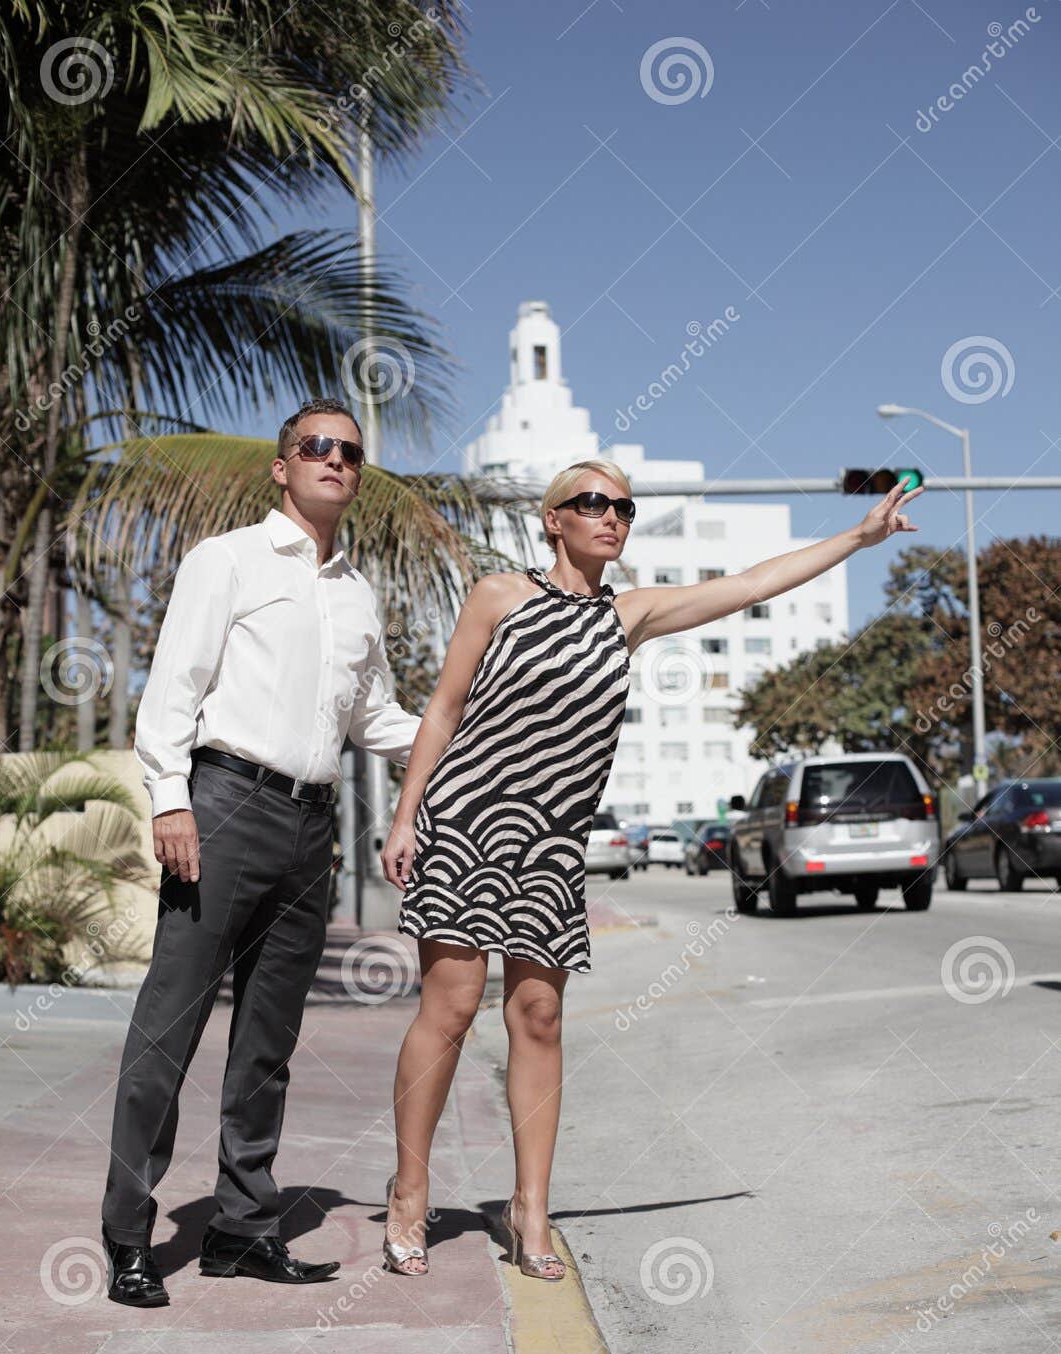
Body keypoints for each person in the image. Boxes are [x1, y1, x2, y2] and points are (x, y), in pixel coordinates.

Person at [380, 459, 920, 1279]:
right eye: (592, 503)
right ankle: (409, 1192)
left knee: (538, 1018)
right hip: (463, 821)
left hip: (552, 839)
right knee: (450, 1010)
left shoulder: (626, 617)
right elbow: (444, 707)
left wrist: (858, 534)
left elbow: (751, 583)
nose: (611, 517)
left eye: (623, 507)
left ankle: (530, 1209)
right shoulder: (499, 596)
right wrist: (404, 813)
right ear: (553, 518)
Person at [99, 399, 420, 1307]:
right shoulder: (227, 559)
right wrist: (171, 800)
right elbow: (172, 690)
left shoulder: (358, 593)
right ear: (282, 467)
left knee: (269, 1042)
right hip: (225, 803)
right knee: (169, 1027)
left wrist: (459, 730)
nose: (336, 461)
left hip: (309, 826)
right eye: (317, 447)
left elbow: (375, 718)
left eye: (351, 453)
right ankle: (128, 1231)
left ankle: (242, 1229)